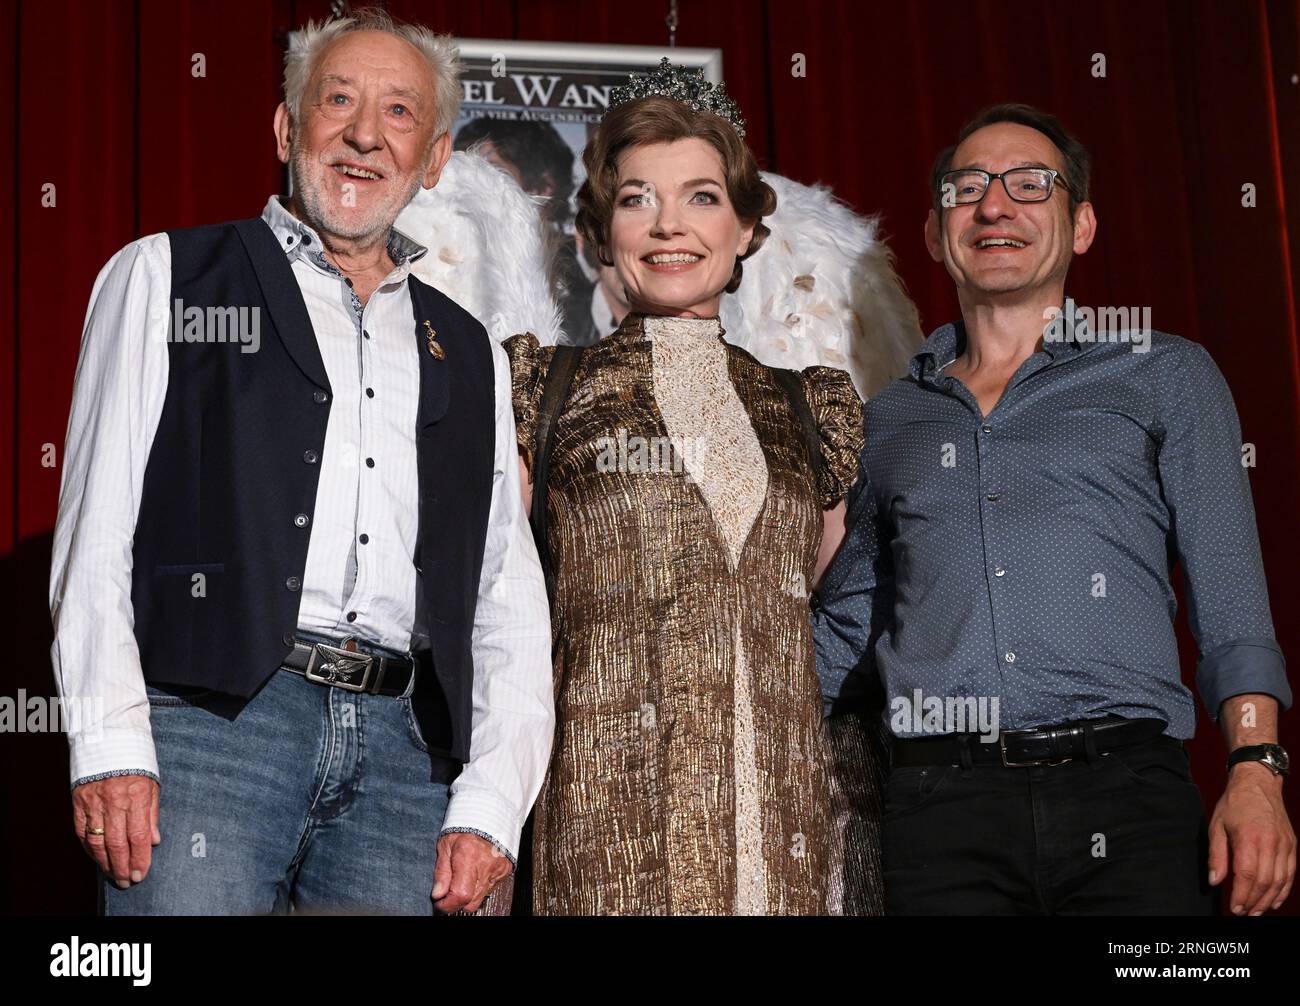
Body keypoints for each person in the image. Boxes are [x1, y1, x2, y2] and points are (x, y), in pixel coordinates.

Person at [48, 7, 553, 915]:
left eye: (400, 112)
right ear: (288, 127)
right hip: (209, 736)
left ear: (433, 160)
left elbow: (505, 595)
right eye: (340, 100)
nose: (365, 133)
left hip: (409, 763)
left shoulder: (471, 349)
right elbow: (96, 532)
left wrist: (490, 805)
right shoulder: (164, 275)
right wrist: (109, 742)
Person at [814, 103, 1294, 915]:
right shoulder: (886, 420)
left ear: (1081, 226)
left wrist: (1258, 770)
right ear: (936, 234)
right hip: (940, 820)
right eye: (965, 189)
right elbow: (850, 628)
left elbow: (1233, 601)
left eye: (1029, 185)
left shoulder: (1163, 373)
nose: (994, 206)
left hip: (1132, 807)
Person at [502, 58, 872, 915]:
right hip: (607, 829)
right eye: (637, 198)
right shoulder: (537, 389)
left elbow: (837, 622)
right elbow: (494, 612)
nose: (670, 225)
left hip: (791, 831)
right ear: (602, 229)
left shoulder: (812, 407)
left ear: (746, 228)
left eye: (703, 196)